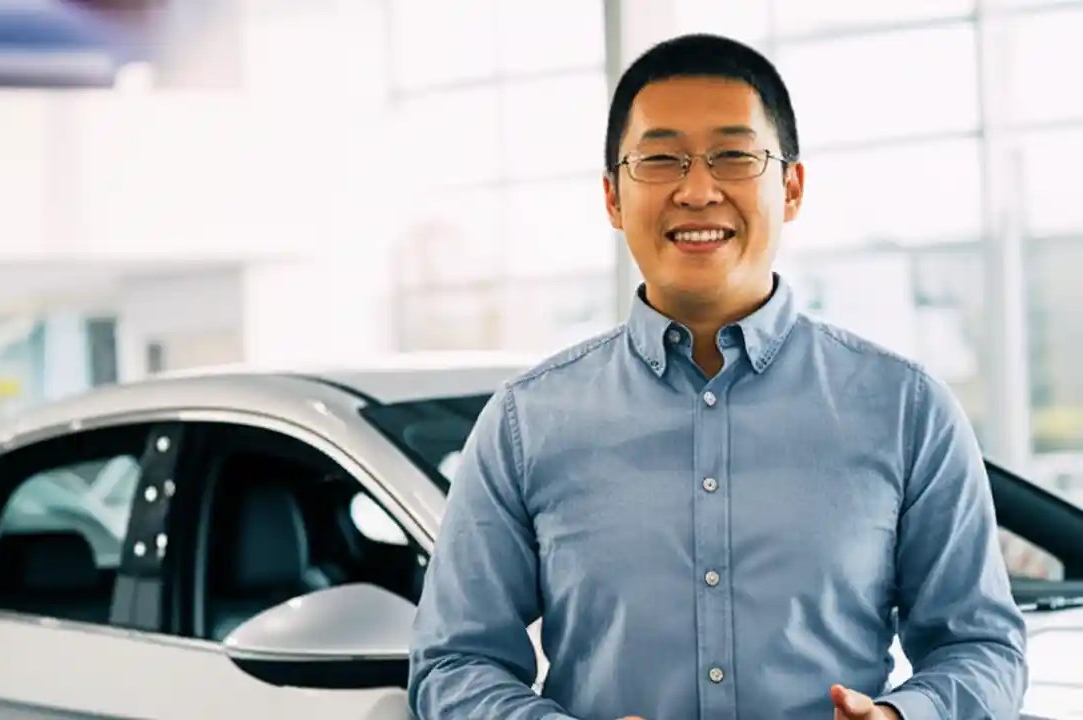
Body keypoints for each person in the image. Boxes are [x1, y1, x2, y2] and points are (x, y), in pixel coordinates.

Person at [407, 33, 1027, 720]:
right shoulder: (526, 423)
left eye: (733, 155)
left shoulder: (906, 409)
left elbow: (981, 646)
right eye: (660, 159)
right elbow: (454, 664)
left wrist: (902, 716)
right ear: (613, 198)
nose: (697, 190)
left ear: (790, 187)